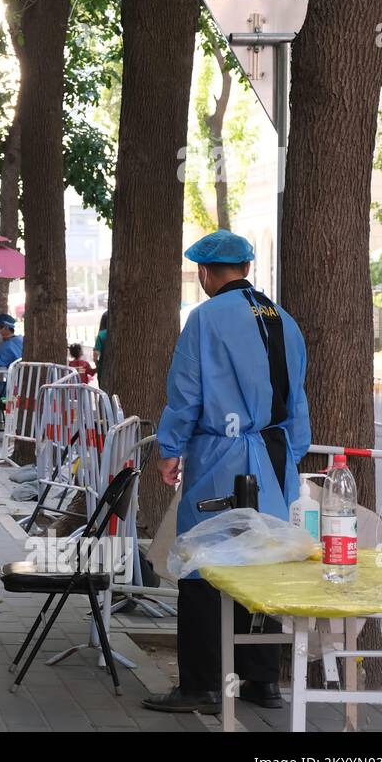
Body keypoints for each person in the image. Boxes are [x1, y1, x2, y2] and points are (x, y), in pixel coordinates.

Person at [142, 230, 310, 715]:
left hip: (223, 455)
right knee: (264, 563)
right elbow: (298, 398)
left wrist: (170, 448)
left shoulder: (205, 318)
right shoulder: (284, 319)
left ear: (205, 272)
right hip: (276, 458)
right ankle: (262, 681)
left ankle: (202, 685)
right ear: (248, 268)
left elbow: (187, 390)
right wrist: (289, 459)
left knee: (202, 563)